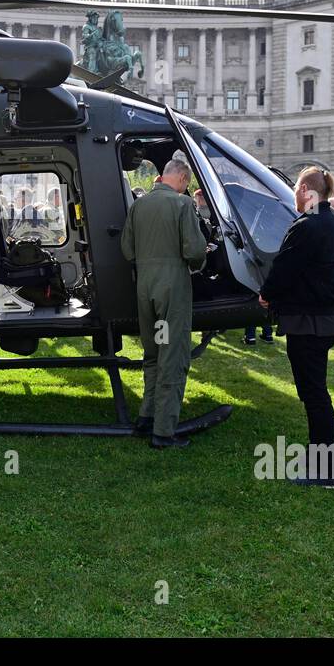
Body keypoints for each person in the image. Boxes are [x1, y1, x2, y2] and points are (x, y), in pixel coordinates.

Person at [258, 166, 334, 488]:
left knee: (314, 395)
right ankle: (322, 465)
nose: (294, 194)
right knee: (315, 393)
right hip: (323, 320)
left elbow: (284, 267)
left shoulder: (308, 226)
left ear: (307, 191)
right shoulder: (331, 224)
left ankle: (327, 472)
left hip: (308, 323)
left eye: (296, 188)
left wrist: (267, 295)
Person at [121, 156, 208, 448]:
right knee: (173, 355)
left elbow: (127, 249)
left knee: (154, 352)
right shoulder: (184, 205)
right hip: (172, 288)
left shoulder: (139, 205)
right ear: (182, 180)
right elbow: (194, 251)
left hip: (144, 286)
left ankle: (146, 416)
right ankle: (164, 430)